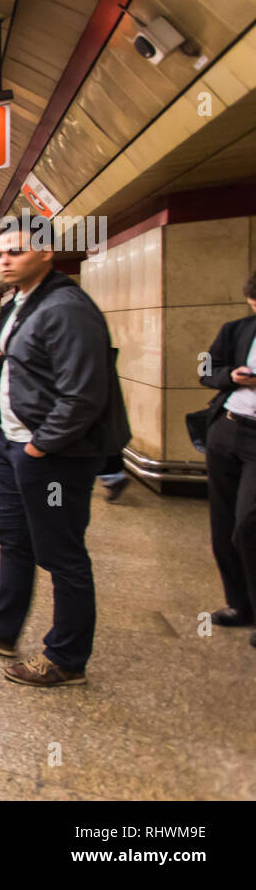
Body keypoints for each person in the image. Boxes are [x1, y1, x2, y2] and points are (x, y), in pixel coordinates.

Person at [0, 218, 130, 686]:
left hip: (54, 456)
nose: (5, 261)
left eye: (16, 251)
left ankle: (67, 659)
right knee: (14, 537)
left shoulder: (68, 308)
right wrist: (7, 438)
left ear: (47, 253)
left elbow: (84, 394)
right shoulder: (20, 305)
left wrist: (38, 447)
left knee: (61, 553)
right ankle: (1, 627)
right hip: (12, 445)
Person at [198, 273, 256, 640]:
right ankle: (239, 604)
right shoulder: (236, 330)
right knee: (222, 523)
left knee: (248, 522)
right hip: (228, 427)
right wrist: (230, 376)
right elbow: (206, 370)